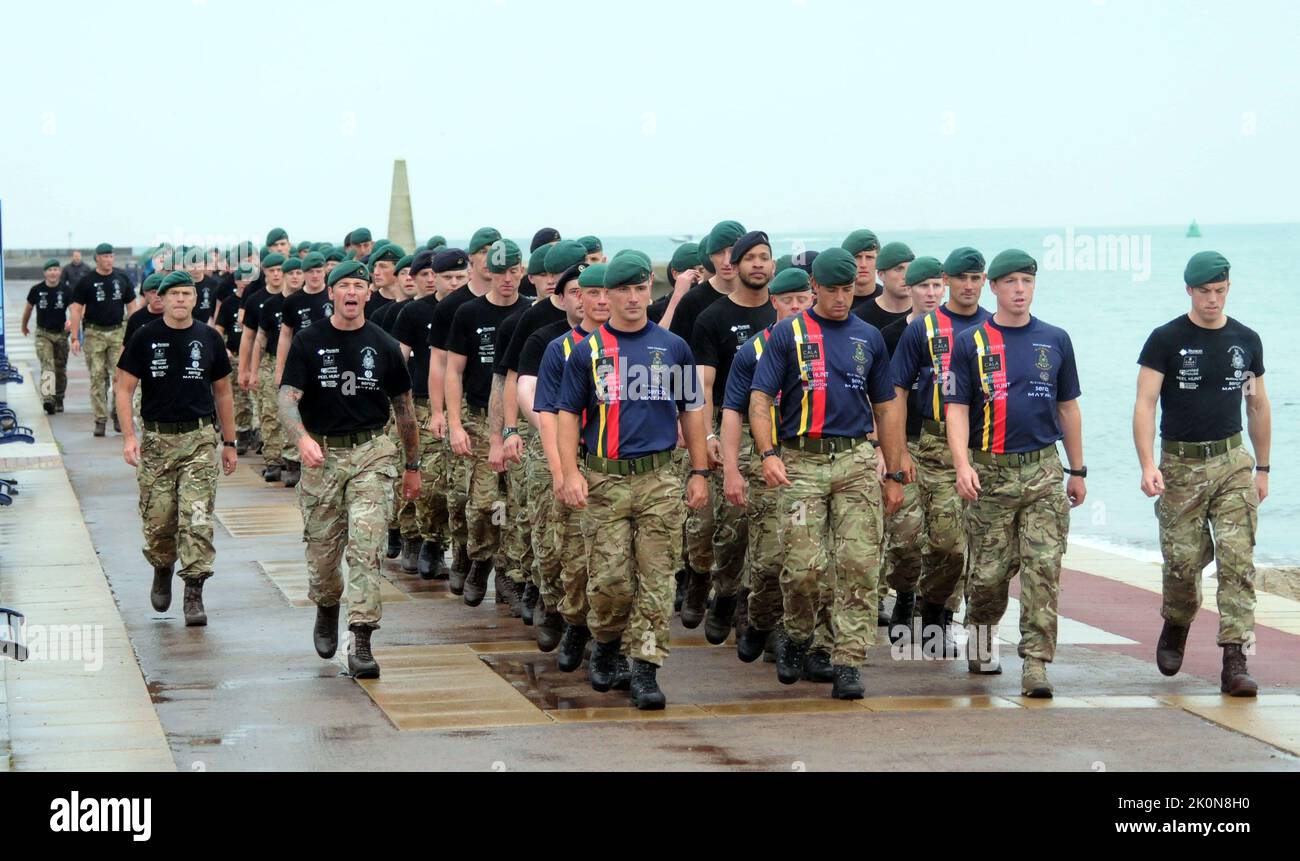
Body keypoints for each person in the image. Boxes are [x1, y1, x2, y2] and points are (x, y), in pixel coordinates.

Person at [554, 252, 710, 710]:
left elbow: (693, 411)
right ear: (609, 295)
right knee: (611, 579)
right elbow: (566, 416)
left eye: (641, 288)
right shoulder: (587, 352)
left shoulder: (673, 347)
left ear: (649, 291)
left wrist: (700, 472)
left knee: (659, 577)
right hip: (604, 479)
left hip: (660, 478)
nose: (633, 297)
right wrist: (569, 473)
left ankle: (645, 667)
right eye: (624, 289)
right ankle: (604, 643)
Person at [750, 247, 905, 700]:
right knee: (802, 568)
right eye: (831, 290)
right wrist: (767, 453)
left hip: (855, 461)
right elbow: (761, 398)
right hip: (800, 461)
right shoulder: (788, 335)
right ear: (813, 287)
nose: (840, 298)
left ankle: (848, 660)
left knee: (859, 564)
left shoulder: (869, 337)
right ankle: (798, 632)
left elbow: (887, 407)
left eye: (847, 290)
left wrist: (893, 472)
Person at [945, 249, 1086, 698]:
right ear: (994, 287)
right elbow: (957, 408)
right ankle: (983, 642)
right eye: (1010, 282)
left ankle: (1036, 665)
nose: (1019, 290)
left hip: (1043, 470)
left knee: (1043, 568)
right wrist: (963, 464)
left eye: (1026, 281)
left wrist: (1077, 470)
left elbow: (1068, 408)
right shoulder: (971, 342)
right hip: (989, 472)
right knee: (988, 575)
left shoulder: (1055, 339)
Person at [1134, 250, 1269, 697]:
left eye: (1220, 291)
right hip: (1179, 466)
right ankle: (1177, 619)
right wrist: (1148, 463)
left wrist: (1263, 467)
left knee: (1236, 560)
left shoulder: (1246, 341)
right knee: (1183, 563)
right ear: (1189, 290)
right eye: (1204, 291)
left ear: (1228, 289)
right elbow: (1145, 403)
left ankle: (1235, 659)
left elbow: (1257, 404)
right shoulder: (1165, 340)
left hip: (1232, 462)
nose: (1212, 299)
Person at [278, 260, 421, 679]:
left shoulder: (384, 345)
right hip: (322, 456)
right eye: (345, 286)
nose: (353, 293)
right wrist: (301, 438)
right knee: (324, 553)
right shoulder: (308, 340)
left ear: (369, 294)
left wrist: (412, 466)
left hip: (372, 455)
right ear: (332, 294)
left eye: (360, 285)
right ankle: (326, 604)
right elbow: (287, 398)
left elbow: (406, 412)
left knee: (366, 545)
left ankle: (361, 636)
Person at [115, 270, 238, 627]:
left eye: (187, 294)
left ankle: (195, 590)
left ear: (195, 299)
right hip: (156, 442)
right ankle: (162, 565)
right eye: (174, 294)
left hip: (199, 440)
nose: (181, 300)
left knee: (197, 517)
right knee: (159, 521)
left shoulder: (209, 338)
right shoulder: (144, 337)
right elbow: (123, 389)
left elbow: (224, 392)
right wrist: (129, 436)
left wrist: (229, 443)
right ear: (162, 300)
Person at [888, 247, 993, 653]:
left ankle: (942, 616)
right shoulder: (925, 329)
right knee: (921, 541)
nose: (968, 285)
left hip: (981, 448)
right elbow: (895, 392)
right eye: (960, 278)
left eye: (976, 277)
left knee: (965, 546)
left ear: (985, 281)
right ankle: (915, 601)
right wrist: (896, 451)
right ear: (948, 280)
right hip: (928, 446)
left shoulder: (994, 327)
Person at [721, 266, 815, 668]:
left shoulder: (824, 343)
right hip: (762, 460)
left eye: (802, 299)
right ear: (773, 302)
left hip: (811, 463)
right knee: (770, 557)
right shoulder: (752, 352)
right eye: (788, 300)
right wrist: (731, 469)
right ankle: (758, 617)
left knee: (810, 558)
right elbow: (731, 413)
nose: (796, 307)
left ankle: (800, 638)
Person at [689, 230, 777, 643]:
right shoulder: (713, 318)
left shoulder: (781, 313)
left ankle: (752, 607)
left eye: (765, 257)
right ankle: (722, 590)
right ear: (735, 266)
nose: (758, 264)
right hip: (732, 423)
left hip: (782, 429)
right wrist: (706, 435)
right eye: (750, 258)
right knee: (731, 526)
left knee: (777, 528)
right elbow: (702, 386)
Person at [519, 263, 607, 652]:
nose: (603, 300)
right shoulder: (556, 347)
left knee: (609, 555)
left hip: (614, 462)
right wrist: (561, 469)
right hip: (566, 454)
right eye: (590, 292)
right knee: (562, 548)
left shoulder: (646, 345)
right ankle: (562, 611)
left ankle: (602, 636)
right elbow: (546, 411)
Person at [446, 238, 524, 606]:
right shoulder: (468, 313)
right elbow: (453, 371)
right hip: (479, 418)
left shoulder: (529, 313)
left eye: (514, 271)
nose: (507, 279)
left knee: (515, 504)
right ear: (487, 271)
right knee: (482, 504)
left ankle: (507, 571)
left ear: (522, 272)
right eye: (500, 272)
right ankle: (478, 558)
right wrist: (455, 422)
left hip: (522, 424)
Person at [876, 256, 946, 642]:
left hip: (951, 447)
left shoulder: (963, 330)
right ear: (912, 290)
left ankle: (937, 615)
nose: (931, 293)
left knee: (950, 541)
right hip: (905, 443)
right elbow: (880, 398)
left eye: (938, 286)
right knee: (904, 535)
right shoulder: (888, 336)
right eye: (924, 286)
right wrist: (886, 450)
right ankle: (904, 592)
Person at [391, 250, 451, 580]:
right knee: (424, 476)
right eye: (424, 274)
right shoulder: (411, 313)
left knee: (449, 484)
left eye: (434, 273)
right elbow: (399, 360)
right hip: (422, 402)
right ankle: (417, 538)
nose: (430, 279)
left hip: (460, 402)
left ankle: (437, 540)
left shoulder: (461, 309)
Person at [425, 246, 481, 590]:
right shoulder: (445, 310)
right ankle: (455, 547)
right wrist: (440, 412)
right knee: (457, 489)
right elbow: (441, 366)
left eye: (462, 277)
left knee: (496, 501)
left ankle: (497, 565)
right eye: (450, 278)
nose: (457, 283)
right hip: (459, 409)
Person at [69, 242, 139, 436]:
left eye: (111, 256)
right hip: (94, 334)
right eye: (105, 256)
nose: (109, 259)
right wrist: (75, 337)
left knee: (120, 377)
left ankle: (118, 415)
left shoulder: (121, 278)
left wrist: (132, 334)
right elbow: (75, 309)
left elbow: (132, 307)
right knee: (97, 377)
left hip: (118, 333)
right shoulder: (86, 281)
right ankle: (100, 419)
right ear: (97, 258)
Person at [248, 253, 287, 481]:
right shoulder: (260, 301)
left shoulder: (296, 300)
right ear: (264, 272)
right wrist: (251, 371)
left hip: (296, 361)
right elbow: (254, 339)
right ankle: (273, 461)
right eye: (271, 270)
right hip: (269, 362)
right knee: (270, 413)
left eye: (280, 269)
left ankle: (293, 461)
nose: (276, 274)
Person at [213, 264, 256, 453]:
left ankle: (257, 433)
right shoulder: (229, 303)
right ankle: (242, 434)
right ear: (237, 281)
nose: (246, 282)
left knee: (255, 397)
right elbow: (218, 329)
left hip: (255, 357)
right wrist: (223, 349)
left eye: (250, 278)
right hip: (234, 354)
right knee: (238, 398)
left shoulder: (255, 301)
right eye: (243, 278)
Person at [22, 258, 73, 414]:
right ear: (45, 272)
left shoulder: (66, 290)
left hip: (61, 335)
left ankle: (59, 398)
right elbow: (28, 309)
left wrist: (72, 321)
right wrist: (23, 325)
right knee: (47, 366)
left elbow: (74, 309)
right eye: (50, 270)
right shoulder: (36, 290)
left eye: (55, 269)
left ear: (60, 272)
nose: (53, 273)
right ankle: (48, 399)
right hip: (43, 334)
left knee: (60, 369)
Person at [855, 241, 914, 331]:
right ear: (881, 275)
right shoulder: (860, 317)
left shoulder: (924, 313)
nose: (906, 276)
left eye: (910, 269)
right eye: (898, 269)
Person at [842, 229, 884, 309]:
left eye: (869, 257)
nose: (863, 264)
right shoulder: (837, 303)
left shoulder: (889, 301)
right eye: (857, 257)